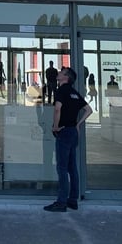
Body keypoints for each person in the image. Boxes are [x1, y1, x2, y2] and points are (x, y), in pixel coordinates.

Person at [44, 67, 93, 212]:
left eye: (61, 72)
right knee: (72, 168)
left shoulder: (62, 91)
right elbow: (89, 110)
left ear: (66, 77)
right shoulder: (74, 93)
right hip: (73, 132)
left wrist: (55, 126)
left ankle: (61, 202)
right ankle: (73, 200)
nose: (58, 73)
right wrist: (78, 124)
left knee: (62, 168)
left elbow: (57, 109)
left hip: (64, 132)